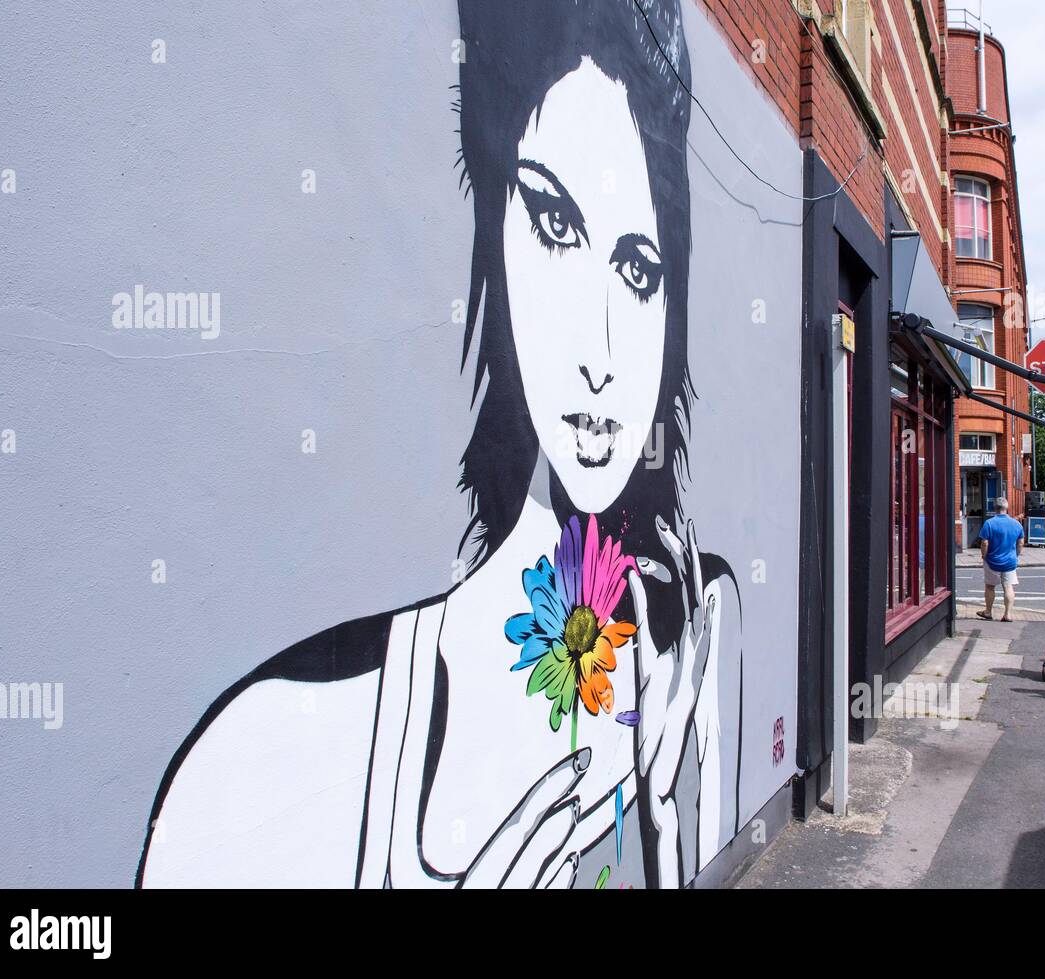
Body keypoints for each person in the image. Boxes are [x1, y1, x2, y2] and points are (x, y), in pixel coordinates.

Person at [138, 0, 748, 890]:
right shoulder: (269, 760)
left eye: (640, 269)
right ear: (488, 219)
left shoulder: (700, 637)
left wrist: (663, 826)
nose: (601, 355)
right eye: (554, 223)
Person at [977, 497, 1024, 623]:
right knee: (1008, 587)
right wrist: (1016, 555)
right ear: (1006, 508)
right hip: (1010, 562)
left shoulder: (989, 523)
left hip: (992, 561)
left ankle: (988, 612)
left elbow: (984, 543)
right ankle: (1007, 614)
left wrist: (984, 555)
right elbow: (1020, 543)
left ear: (994, 508)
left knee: (990, 587)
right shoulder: (1016, 524)